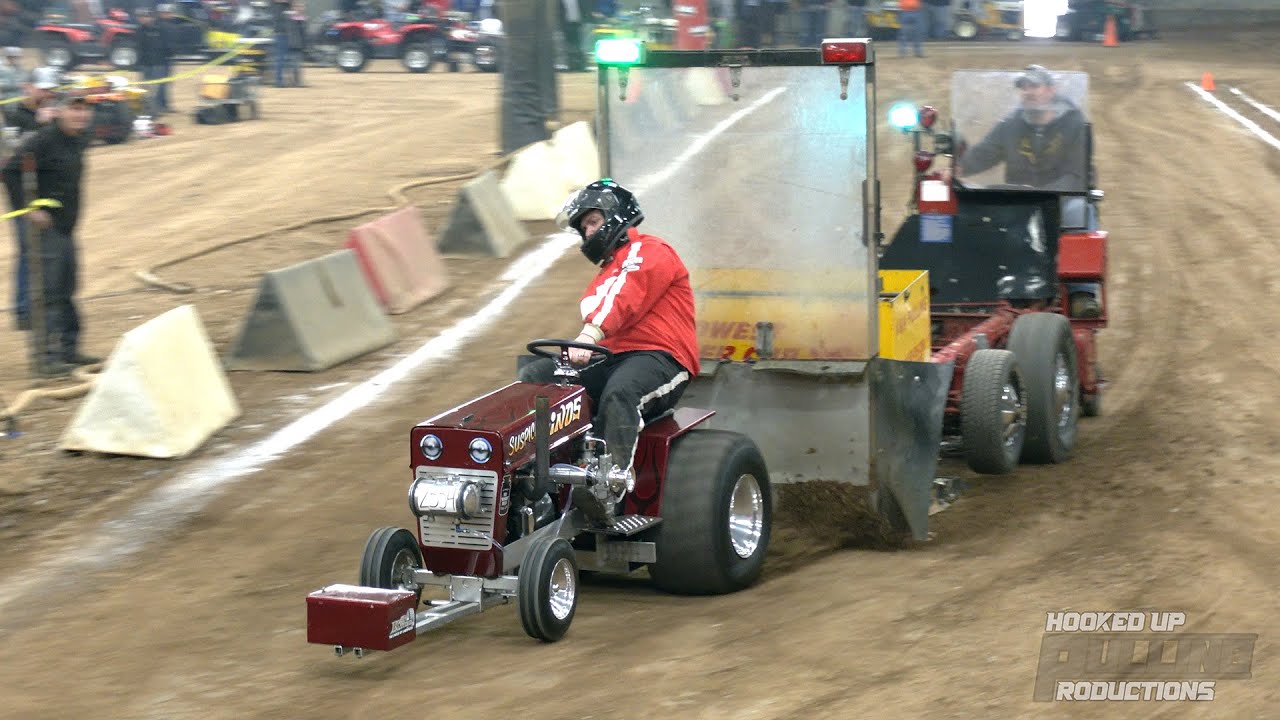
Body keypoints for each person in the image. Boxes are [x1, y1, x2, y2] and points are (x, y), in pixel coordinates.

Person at [518, 179, 700, 523]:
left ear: (616, 216)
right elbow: (612, 295)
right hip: (613, 358)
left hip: (661, 356)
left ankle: (606, 486)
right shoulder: (605, 273)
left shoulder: (649, 250)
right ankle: (536, 477)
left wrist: (590, 334)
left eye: (592, 222)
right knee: (536, 377)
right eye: (583, 227)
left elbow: (626, 295)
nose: (587, 233)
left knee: (622, 392)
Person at [1, 91, 99, 376]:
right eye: (74, 109)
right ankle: (44, 358)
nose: (80, 115)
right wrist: (28, 209)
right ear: (59, 112)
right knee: (47, 292)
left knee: (68, 289)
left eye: (84, 110)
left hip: (67, 228)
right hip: (47, 229)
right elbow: (9, 172)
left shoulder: (78, 139)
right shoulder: (43, 140)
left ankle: (69, 349)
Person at [954, 64, 1088, 192]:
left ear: (1051, 90)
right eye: (1023, 88)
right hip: (1020, 200)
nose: (1028, 92)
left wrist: (1045, 195)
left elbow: (1076, 173)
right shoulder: (1011, 125)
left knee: (1075, 211)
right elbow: (983, 154)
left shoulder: (1073, 123)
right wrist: (958, 168)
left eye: (1035, 86)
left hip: (1062, 199)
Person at [2, 65, 59, 332]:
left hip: (48, 192)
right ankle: (24, 310)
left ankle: (43, 306)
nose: (46, 94)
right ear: (28, 87)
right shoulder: (14, 117)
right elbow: (12, 157)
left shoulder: (54, 114)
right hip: (21, 193)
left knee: (48, 251)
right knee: (28, 251)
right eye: (42, 89)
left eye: (50, 90)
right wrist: (41, 124)